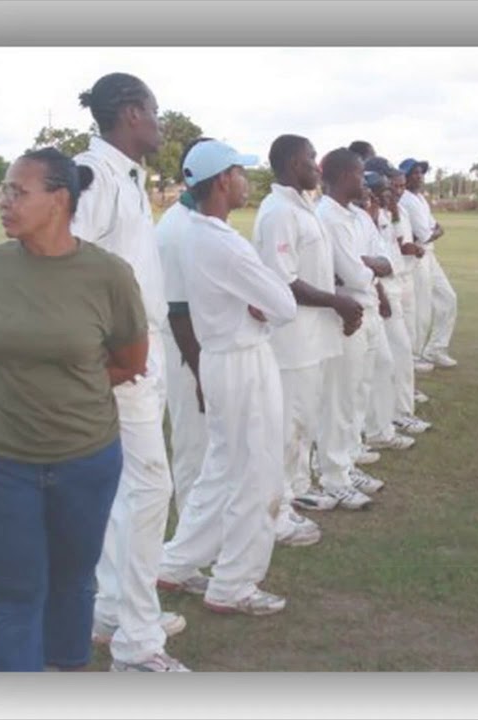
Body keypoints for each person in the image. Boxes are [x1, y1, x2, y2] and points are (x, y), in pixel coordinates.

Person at [0, 147, 148, 672]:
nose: (4, 201)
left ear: (59, 199)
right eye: (4, 190)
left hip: (86, 462)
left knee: (73, 584)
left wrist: (63, 394)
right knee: (15, 595)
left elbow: (129, 361)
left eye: (16, 192)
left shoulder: (108, 276)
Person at [73, 72, 187, 672]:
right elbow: (62, 267)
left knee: (127, 491)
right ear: (132, 113)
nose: (161, 122)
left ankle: (117, 609)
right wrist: (106, 355)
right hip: (120, 360)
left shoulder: (125, 176)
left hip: (144, 349)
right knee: (148, 489)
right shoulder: (91, 176)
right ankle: (139, 646)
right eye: (156, 110)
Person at [156, 140, 297, 616]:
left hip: (223, 358)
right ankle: (234, 583)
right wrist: (261, 307)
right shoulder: (222, 241)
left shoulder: (193, 230)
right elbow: (284, 305)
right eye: (240, 173)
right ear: (221, 181)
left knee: (222, 468)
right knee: (255, 473)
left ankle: (175, 562)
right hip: (241, 360)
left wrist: (259, 304)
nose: (246, 181)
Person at [253, 134, 365, 526]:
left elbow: (316, 271)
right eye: (310, 158)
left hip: (312, 337)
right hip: (291, 339)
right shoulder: (278, 212)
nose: (316, 165)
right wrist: (338, 301)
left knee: (305, 420)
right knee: (289, 424)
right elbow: (283, 282)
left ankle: (298, 489)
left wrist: (337, 303)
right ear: (290, 163)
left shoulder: (303, 208)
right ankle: (278, 507)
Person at [314, 148, 382, 510]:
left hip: (365, 306)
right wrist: (370, 266)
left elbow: (379, 257)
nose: (363, 180)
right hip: (346, 313)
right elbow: (354, 274)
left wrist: (368, 266)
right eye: (358, 173)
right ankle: (333, 477)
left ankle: (347, 461)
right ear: (342, 176)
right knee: (339, 399)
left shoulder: (355, 215)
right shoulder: (328, 216)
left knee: (357, 392)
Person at [155, 137, 212, 521]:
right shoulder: (178, 228)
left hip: (207, 350)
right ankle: (185, 555)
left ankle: (205, 531)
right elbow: (178, 312)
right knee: (193, 446)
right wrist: (200, 372)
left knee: (212, 446)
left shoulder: (203, 221)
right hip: (187, 351)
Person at [355, 172, 417, 457]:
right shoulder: (359, 219)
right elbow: (367, 264)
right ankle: (378, 427)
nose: (386, 196)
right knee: (384, 361)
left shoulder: (377, 216)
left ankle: (381, 426)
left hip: (386, 288)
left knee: (387, 361)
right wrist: (380, 291)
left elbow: (387, 257)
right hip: (375, 295)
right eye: (381, 192)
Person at [371, 170, 432, 435]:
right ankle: (398, 414)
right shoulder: (370, 217)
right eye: (389, 188)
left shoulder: (390, 212)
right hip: (385, 289)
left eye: (397, 187)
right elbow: (395, 249)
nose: (395, 192)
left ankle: (398, 411)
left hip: (400, 281)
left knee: (401, 351)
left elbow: (398, 240)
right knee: (397, 353)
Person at [399, 158, 459, 369]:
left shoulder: (420, 199)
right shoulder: (405, 199)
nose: (419, 176)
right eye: (414, 173)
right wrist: (434, 232)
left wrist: (434, 232)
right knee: (421, 309)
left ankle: (436, 349)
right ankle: (415, 355)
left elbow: (437, 228)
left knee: (448, 298)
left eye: (421, 173)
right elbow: (426, 234)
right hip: (417, 257)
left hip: (429, 255)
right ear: (404, 176)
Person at [386, 166, 433, 408]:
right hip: (390, 282)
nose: (398, 190)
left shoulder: (400, 208)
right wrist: (411, 247)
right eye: (394, 186)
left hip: (406, 276)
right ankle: (399, 402)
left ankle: (407, 389)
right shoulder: (379, 212)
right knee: (398, 345)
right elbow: (399, 244)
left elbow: (403, 238)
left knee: (410, 337)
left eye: (401, 186)